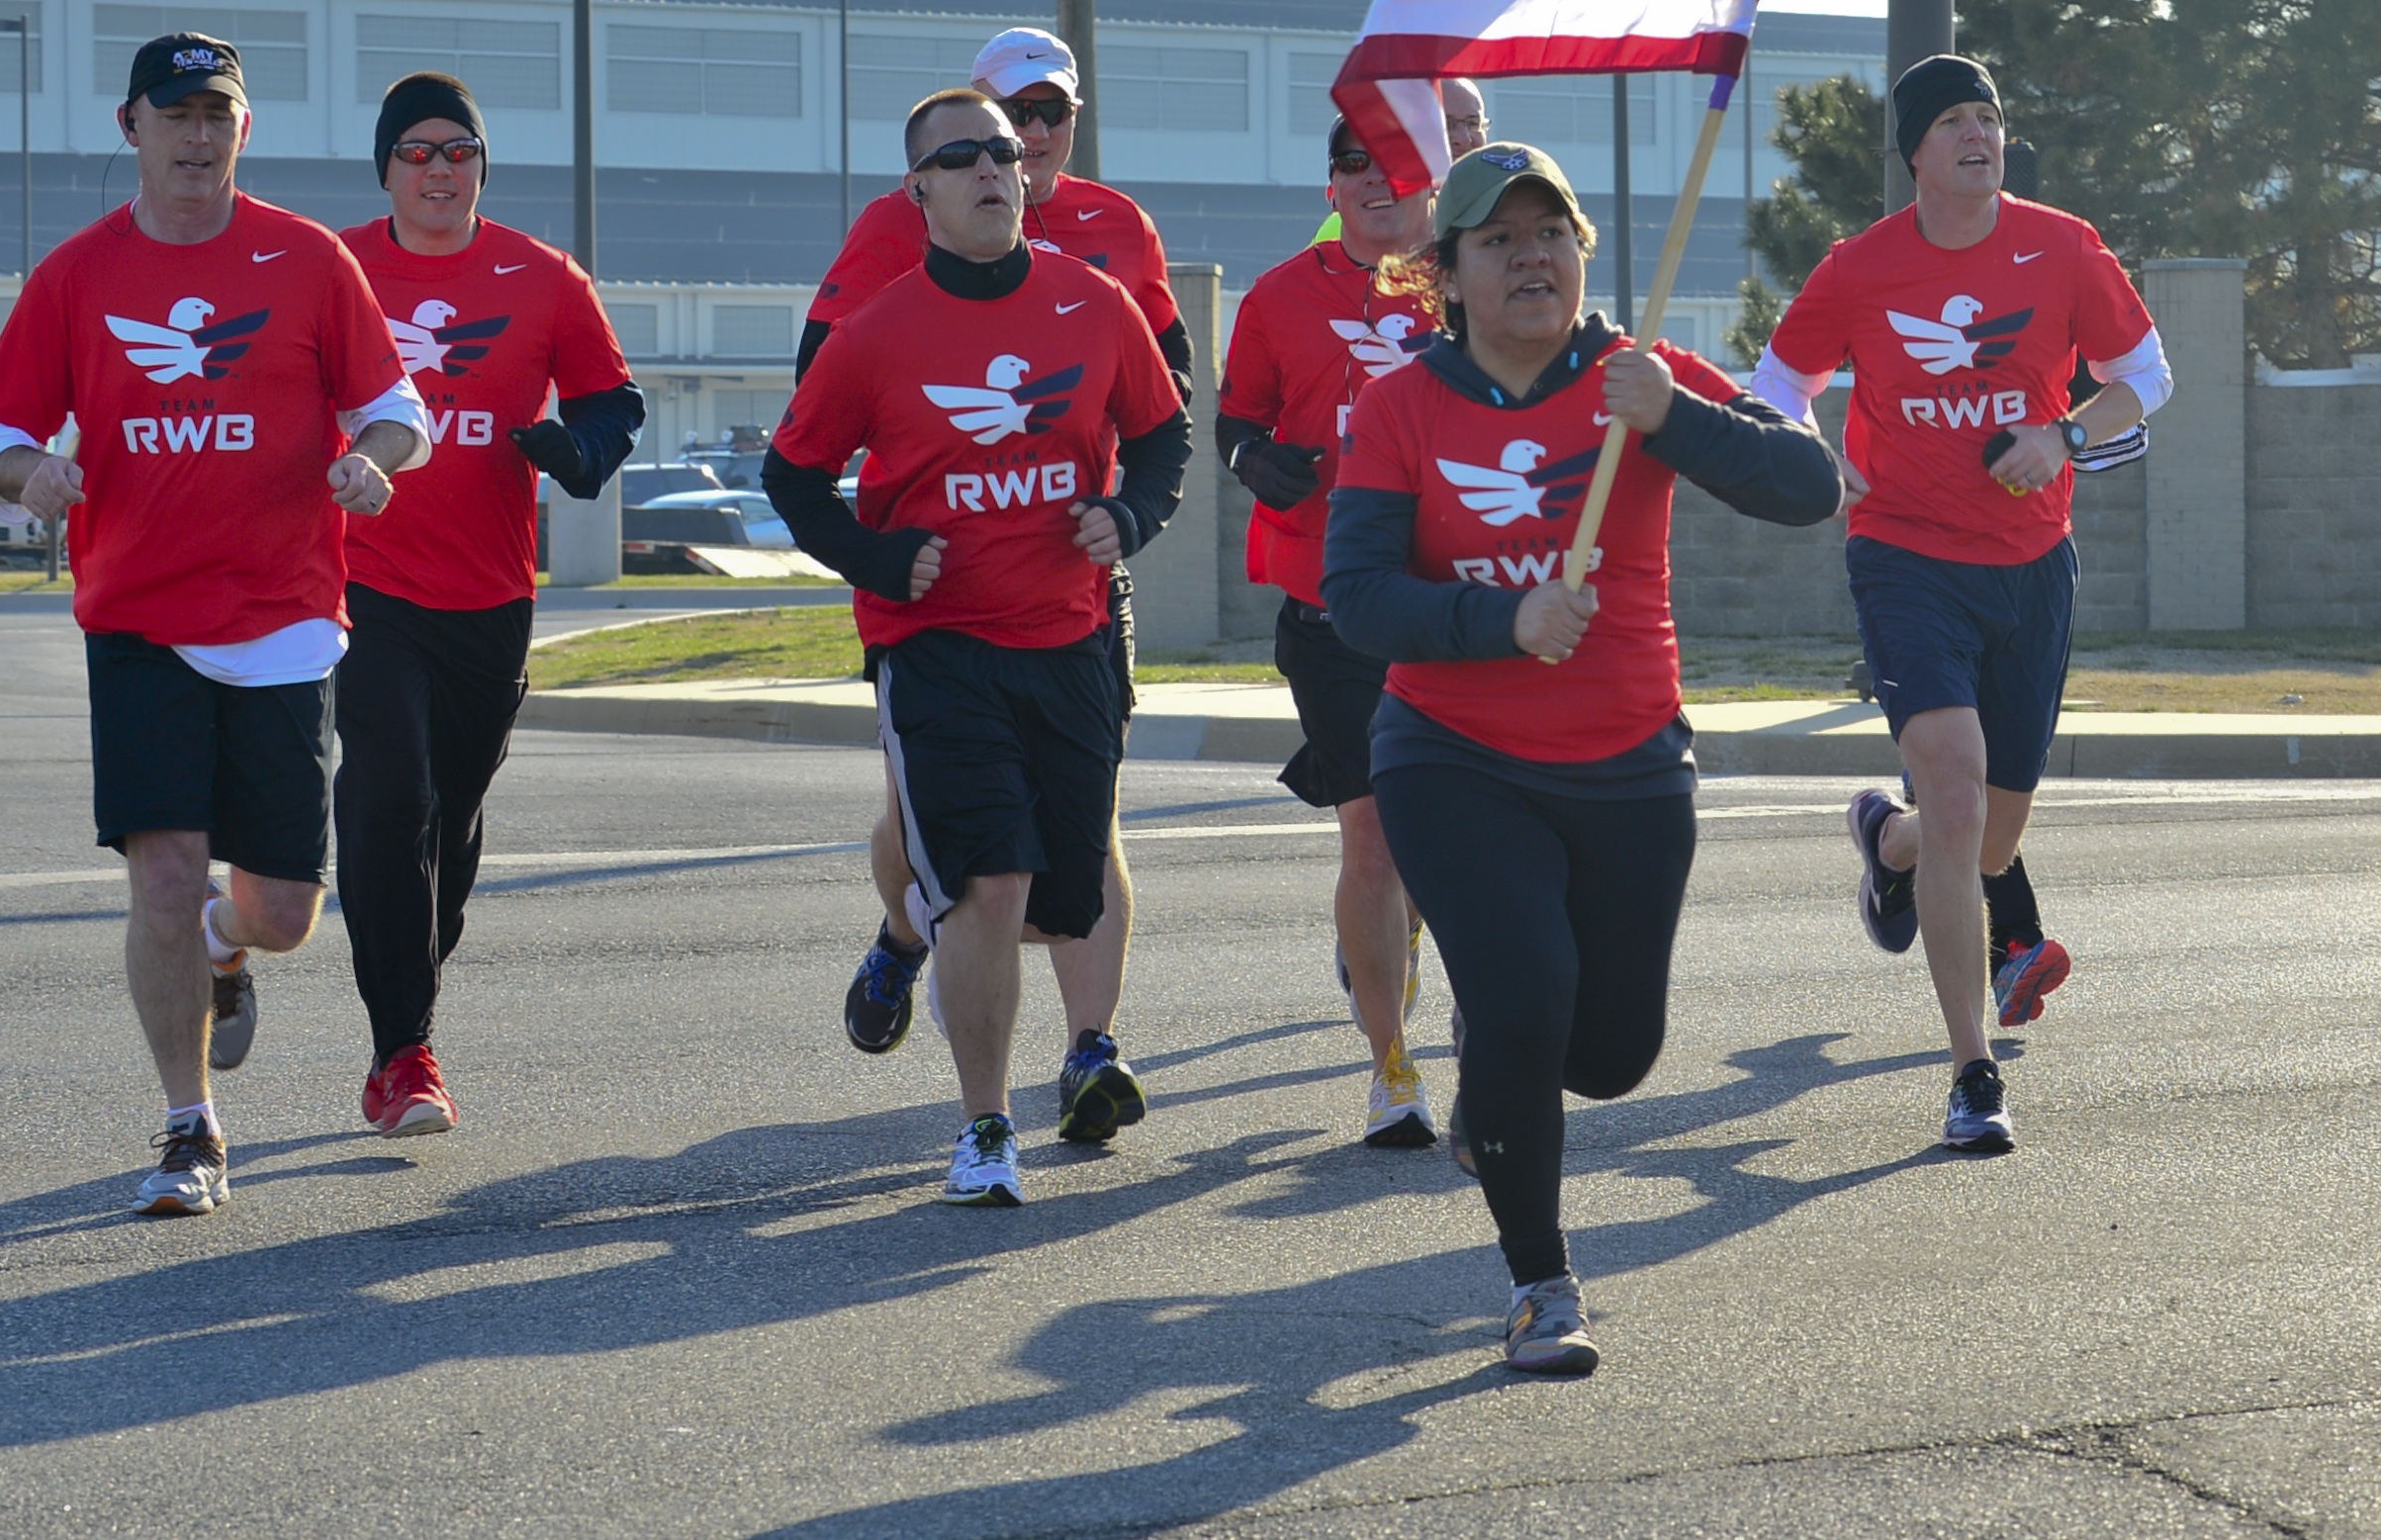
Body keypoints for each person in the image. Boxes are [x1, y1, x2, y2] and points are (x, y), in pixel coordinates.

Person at [1326, 141, 1839, 1375]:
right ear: (1446, 271)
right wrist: (1499, 618)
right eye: (1496, 239)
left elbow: (1809, 484)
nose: (1529, 257)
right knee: (1521, 998)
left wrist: (1674, 416)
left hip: (1629, 759)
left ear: (1581, 253)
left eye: (1548, 232)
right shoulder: (1400, 406)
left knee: (1609, 1054)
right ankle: (1539, 1283)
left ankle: (1493, 1084)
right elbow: (1357, 596)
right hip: (1453, 756)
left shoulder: (1636, 377)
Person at [0, 32, 428, 1218]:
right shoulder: (77, 275)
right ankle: (189, 1124)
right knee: (164, 873)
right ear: (132, 127)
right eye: (174, 113)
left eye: (217, 112)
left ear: (243, 128)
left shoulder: (308, 257)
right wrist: (29, 475)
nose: (197, 133)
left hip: (283, 619)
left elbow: (395, 405)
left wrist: (373, 460)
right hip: (139, 619)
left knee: (282, 912)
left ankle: (230, 945)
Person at [765, 87, 1190, 1207]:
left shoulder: (1093, 301)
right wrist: (873, 555)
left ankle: (922, 949)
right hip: (936, 645)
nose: (992, 168)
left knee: (1064, 891)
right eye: (960, 157)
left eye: (1002, 151)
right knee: (990, 884)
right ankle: (986, 1126)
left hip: (1069, 637)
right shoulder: (879, 329)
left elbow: (1162, 435)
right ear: (919, 190)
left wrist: (1130, 515)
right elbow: (793, 476)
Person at [1751, 54, 2171, 1155]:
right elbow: (1776, 383)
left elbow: (2145, 375)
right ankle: (1969, 1071)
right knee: (1952, 792)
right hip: (1902, 556)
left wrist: (2062, 434)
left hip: (2031, 562)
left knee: (1986, 833)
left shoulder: (2063, 246)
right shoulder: (1860, 266)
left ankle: (1885, 843)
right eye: (1952, 121)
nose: (1977, 133)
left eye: (1987, 114)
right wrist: (1814, 458)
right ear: (1913, 153)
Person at [335, 72, 645, 1138]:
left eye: (458, 150)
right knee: (394, 795)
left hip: (490, 591)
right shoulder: (335, 267)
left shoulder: (543, 276)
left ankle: (408, 996)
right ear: (385, 168)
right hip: (360, 580)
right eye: (416, 151)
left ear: (482, 165)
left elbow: (611, 401)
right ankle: (402, 1053)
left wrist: (579, 450)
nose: (439, 169)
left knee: (451, 825)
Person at [1219, 114, 1445, 1146]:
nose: (1372, 179)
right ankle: (1392, 1068)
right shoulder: (1277, 296)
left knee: (1453, 832)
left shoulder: (1468, 282)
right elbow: (1235, 421)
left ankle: (1425, 954)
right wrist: (1253, 461)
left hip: (1454, 602)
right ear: (1331, 184)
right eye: (1352, 163)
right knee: (1374, 832)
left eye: (1393, 163)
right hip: (1332, 604)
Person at [1314, 77, 1488, 246]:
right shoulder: (1358, 222)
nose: (1463, 139)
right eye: (1445, 124)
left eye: (1473, 124)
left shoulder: (1496, 210)